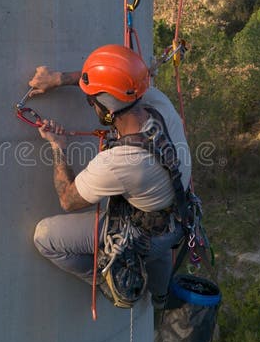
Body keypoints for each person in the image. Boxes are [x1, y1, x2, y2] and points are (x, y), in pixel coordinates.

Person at [29, 44, 192, 307]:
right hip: (178, 219)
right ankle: (161, 297)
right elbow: (115, 82)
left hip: (145, 237)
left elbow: (68, 200)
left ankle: (111, 280)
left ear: (104, 108)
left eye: (91, 100)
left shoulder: (119, 163)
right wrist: (59, 79)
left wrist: (58, 147)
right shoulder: (159, 104)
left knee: (45, 237)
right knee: (158, 242)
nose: (90, 103)